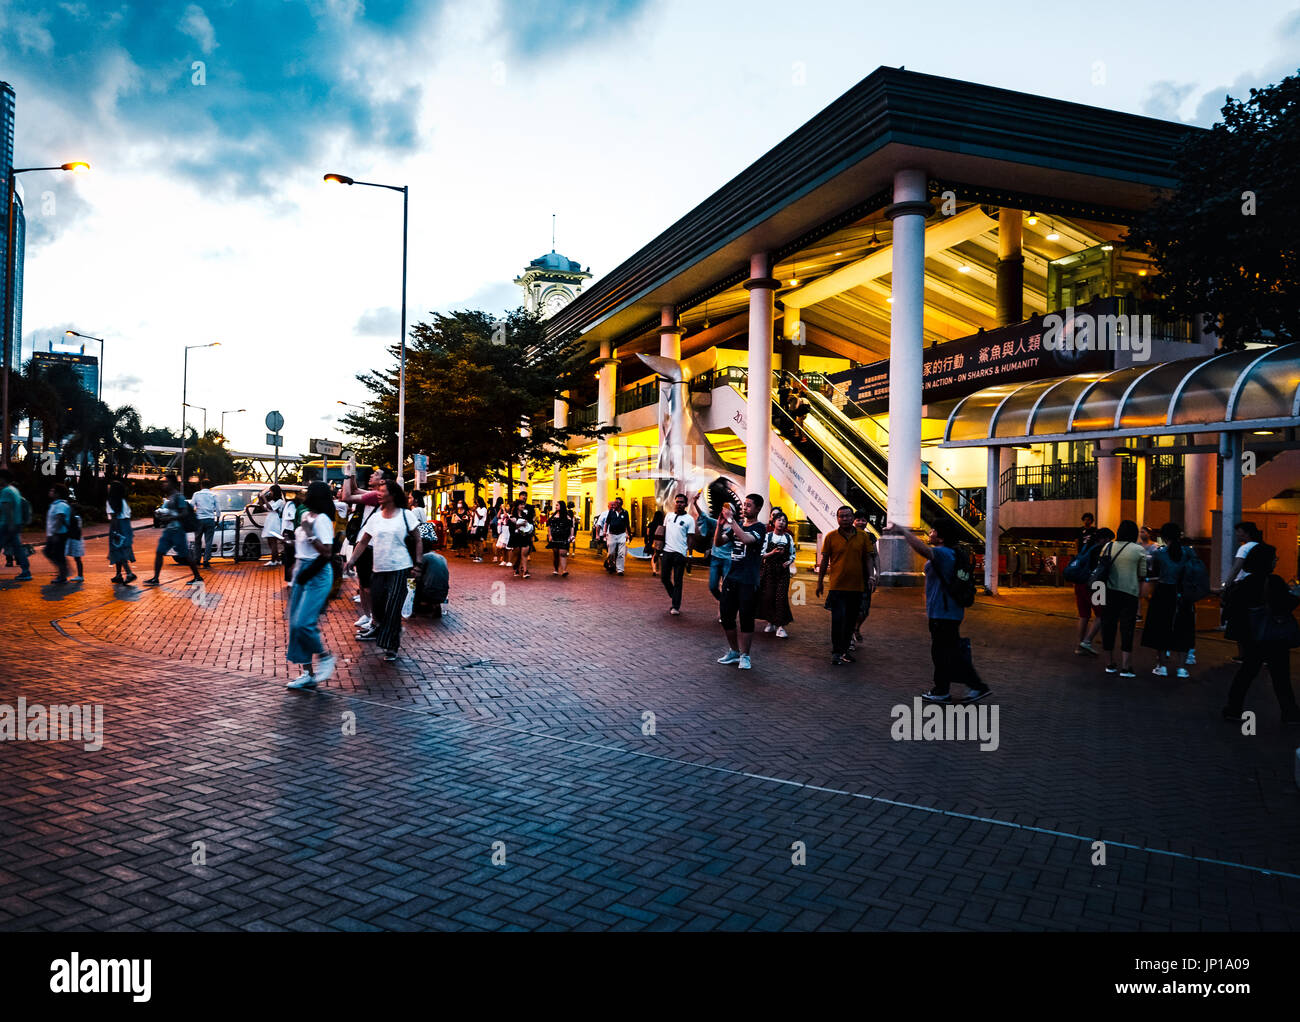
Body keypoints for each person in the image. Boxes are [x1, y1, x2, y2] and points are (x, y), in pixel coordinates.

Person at [884, 520, 990, 703]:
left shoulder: (942, 553)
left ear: (941, 538)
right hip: (948, 612)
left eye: (933, 531)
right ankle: (964, 686)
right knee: (948, 651)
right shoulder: (952, 553)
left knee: (942, 653)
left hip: (944, 613)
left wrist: (903, 532)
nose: (929, 533)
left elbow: (922, 550)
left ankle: (952, 689)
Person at [343, 480, 422, 662]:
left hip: (400, 568)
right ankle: (384, 629)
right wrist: (351, 560)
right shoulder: (376, 518)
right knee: (377, 606)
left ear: (392, 495)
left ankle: (391, 645)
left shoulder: (406, 516)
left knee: (393, 607)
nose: (378, 494)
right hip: (378, 569)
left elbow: (418, 540)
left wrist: (418, 564)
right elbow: (363, 541)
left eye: (382, 491)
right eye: (377, 491)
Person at [1221, 543, 1300, 724]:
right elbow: (1286, 604)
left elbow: (1234, 610)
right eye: (1274, 558)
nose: (1275, 561)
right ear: (1267, 562)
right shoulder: (1274, 582)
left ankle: (1233, 708)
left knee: (1246, 673)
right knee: (1281, 677)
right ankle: (1290, 713)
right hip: (1274, 637)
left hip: (1252, 636)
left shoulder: (1244, 584)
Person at [285, 481, 339, 690]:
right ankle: (307, 673)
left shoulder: (323, 520)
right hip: (302, 571)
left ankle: (325, 657)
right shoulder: (307, 516)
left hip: (316, 574)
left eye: (309, 492)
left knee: (303, 623)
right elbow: (305, 544)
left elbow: (326, 551)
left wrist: (310, 534)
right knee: (295, 625)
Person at [817, 506, 876, 664]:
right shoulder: (830, 537)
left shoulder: (863, 537)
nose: (845, 519)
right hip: (837, 586)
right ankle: (836, 652)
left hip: (856, 586)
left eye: (848, 516)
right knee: (837, 620)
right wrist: (820, 582)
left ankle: (844, 651)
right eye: (841, 516)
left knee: (850, 621)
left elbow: (868, 558)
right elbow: (824, 561)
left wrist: (871, 576)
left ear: (852, 518)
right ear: (837, 518)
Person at [715, 493, 766, 670]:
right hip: (732, 578)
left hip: (748, 580)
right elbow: (719, 542)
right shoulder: (736, 526)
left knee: (746, 617)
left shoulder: (760, 528)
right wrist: (719, 526)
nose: (744, 508)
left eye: (749, 505)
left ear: (758, 508)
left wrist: (731, 520)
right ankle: (734, 651)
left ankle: (745, 655)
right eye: (744, 505)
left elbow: (745, 539)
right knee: (726, 616)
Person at [1140, 521, 1196, 678]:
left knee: (1161, 628)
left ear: (1163, 537)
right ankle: (1182, 668)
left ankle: (1162, 665)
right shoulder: (1189, 553)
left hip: (1163, 592)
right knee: (1183, 628)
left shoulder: (1159, 553)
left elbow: (1152, 574)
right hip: (1183, 593)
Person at [340, 468, 389, 633]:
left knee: (368, 585)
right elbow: (353, 490)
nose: (371, 475)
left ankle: (374, 618)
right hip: (364, 542)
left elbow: (346, 496)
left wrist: (347, 475)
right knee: (362, 584)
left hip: (369, 545)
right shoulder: (374, 493)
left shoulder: (376, 496)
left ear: (383, 481)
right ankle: (368, 616)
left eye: (376, 474)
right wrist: (352, 473)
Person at [1098, 520, 1147, 678]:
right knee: (1127, 629)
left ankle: (1109, 663)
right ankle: (1126, 667)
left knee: (1108, 626)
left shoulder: (1108, 546)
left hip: (1109, 591)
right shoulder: (1139, 550)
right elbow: (1142, 574)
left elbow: (1101, 567)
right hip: (1130, 593)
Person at [144, 474, 203, 586]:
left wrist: (171, 517)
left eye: (166, 482)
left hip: (177, 531)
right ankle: (155, 578)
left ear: (172, 483)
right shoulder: (170, 497)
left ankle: (197, 577)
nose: (164, 484)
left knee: (185, 555)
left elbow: (184, 513)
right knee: (159, 552)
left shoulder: (178, 496)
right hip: (169, 530)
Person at [758, 509, 797, 637]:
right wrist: (772, 553)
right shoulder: (768, 536)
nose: (781, 523)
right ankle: (770, 622)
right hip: (769, 571)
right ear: (773, 522)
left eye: (784, 521)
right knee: (768, 596)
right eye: (779, 520)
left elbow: (793, 553)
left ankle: (780, 626)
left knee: (780, 597)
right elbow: (761, 554)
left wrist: (789, 562)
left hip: (782, 572)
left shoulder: (788, 537)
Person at [1073, 513, 1105, 655]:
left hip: (1079, 581)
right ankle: (1087, 641)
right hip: (1096, 583)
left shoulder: (1083, 550)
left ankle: (1080, 646)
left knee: (1083, 615)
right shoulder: (1100, 550)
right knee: (1102, 614)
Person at [659, 493, 695, 615]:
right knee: (664, 578)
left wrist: (689, 555)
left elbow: (690, 538)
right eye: (677, 502)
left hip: (680, 553)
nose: (679, 504)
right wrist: (659, 549)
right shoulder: (668, 516)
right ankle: (674, 594)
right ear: (674, 503)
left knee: (678, 580)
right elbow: (663, 533)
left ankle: (675, 606)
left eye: (681, 502)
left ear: (685, 504)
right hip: (667, 551)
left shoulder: (689, 519)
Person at [851, 510, 879, 644]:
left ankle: (856, 628)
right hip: (851, 577)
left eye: (864, 520)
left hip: (866, 576)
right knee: (851, 607)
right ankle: (850, 632)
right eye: (858, 520)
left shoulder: (870, 536)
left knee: (864, 610)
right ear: (853, 521)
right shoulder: (848, 535)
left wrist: (877, 573)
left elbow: (875, 556)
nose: (861, 522)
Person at [0, 469, 32, 580]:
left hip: (6, 525)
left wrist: (10, 524)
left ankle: (26, 571)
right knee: (17, 549)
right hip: (16, 524)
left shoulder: (6, 491)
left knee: (15, 548)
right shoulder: (14, 490)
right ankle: (26, 571)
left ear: (2, 479)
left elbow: (7, 509)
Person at [106, 481, 137, 584]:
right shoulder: (123, 501)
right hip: (126, 527)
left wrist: (114, 533)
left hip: (117, 527)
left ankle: (129, 573)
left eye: (109, 487)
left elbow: (114, 518)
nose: (108, 488)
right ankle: (118, 574)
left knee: (118, 551)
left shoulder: (111, 501)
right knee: (122, 550)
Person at [44, 484, 72, 582]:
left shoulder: (61, 505)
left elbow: (60, 518)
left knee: (55, 554)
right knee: (52, 553)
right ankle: (63, 571)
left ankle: (63, 573)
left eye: (52, 490)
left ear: (57, 494)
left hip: (59, 534)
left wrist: (55, 533)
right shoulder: (55, 504)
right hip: (54, 534)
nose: (50, 492)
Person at [191, 478, 219, 568]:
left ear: (201, 485)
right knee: (209, 541)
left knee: (197, 540)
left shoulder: (196, 494)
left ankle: (197, 560)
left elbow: (191, 506)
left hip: (199, 519)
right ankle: (206, 561)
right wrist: (217, 519)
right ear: (209, 486)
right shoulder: (213, 495)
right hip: (210, 519)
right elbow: (218, 509)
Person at [257, 484, 286, 567]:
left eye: (271, 491)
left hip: (275, 522)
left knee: (273, 541)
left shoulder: (280, 501)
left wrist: (264, 498)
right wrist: (260, 499)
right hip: (270, 521)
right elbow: (265, 508)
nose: (270, 493)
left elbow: (271, 507)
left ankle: (273, 560)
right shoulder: (273, 501)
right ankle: (276, 559)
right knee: (270, 541)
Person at [603, 497, 630, 576]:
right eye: (615, 503)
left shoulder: (625, 512)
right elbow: (607, 523)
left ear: (621, 504)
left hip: (621, 534)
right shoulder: (611, 512)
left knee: (621, 553)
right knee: (611, 553)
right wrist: (605, 531)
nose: (615, 504)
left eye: (617, 503)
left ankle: (620, 570)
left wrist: (628, 534)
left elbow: (627, 524)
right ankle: (611, 565)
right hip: (612, 534)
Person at [547, 500, 574, 576]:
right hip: (554, 537)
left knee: (563, 554)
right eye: (556, 505)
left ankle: (564, 570)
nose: (556, 507)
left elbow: (571, 527)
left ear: (561, 506)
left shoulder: (567, 516)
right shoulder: (552, 516)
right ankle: (556, 569)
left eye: (557, 505)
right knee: (556, 554)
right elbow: (549, 527)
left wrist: (571, 536)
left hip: (564, 537)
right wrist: (550, 535)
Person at [64, 497, 85, 581]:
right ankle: (79, 575)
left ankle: (80, 575)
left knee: (77, 558)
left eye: (71, 509)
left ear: (75, 510)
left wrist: (64, 523)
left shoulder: (76, 518)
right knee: (77, 558)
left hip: (76, 540)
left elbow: (73, 528)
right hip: (76, 539)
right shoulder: (77, 517)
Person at [280, 489, 299, 583]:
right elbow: (292, 518)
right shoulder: (291, 505)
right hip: (290, 531)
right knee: (290, 556)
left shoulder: (291, 504)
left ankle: (291, 578)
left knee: (291, 556)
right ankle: (290, 579)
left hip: (291, 531)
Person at [646, 507, 665, 576]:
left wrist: (648, 541)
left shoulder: (651, 524)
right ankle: (657, 570)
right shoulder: (663, 524)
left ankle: (654, 570)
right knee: (658, 555)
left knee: (653, 555)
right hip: (660, 541)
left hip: (652, 541)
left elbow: (647, 533)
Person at [470, 496, 488, 562]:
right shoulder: (477, 509)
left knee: (480, 542)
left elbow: (480, 517)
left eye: (477, 502)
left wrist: (475, 511)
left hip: (480, 526)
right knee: (475, 542)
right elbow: (474, 517)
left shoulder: (484, 509)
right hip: (475, 525)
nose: (477, 504)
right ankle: (476, 556)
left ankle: (480, 556)